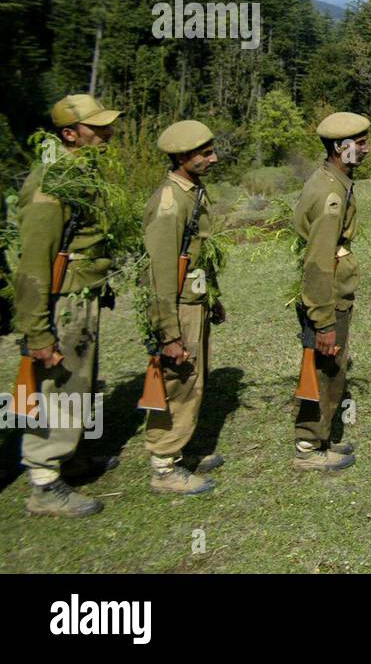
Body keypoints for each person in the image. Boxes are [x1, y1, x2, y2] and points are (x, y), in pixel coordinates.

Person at [14, 95, 122, 517]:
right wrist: (38, 331)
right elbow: (33, 261)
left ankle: (70, 456)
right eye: (98, 127)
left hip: (83, 294)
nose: (108, 132)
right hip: (63, 300)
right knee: (56, 385)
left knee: (78, 382)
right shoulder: (51, 182)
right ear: (70, 134)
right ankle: (44, 481)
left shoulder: (82, 174)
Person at [141, 120, 226, 494]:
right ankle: (164, 465)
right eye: (205, 153)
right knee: (178, 378)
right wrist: (168, 333)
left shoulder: (193, 191)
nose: (214, 158)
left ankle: (180, 450)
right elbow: (159, 273)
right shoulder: (170, 202)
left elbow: (198, 255)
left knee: (193, 378)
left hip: (194, 300)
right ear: (181, 157)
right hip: (176, 307)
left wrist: (213, 297)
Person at [292, 112, 370, 470]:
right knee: (323, 367)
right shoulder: (330, 194)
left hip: (335, 291)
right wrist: (322, 320)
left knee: (332, 368)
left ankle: (320, 438)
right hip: (328, 295)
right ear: (342, 148)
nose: (367, 149)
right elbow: (319, 261)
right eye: (361, 143)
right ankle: (308, 446)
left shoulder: (335, 182)